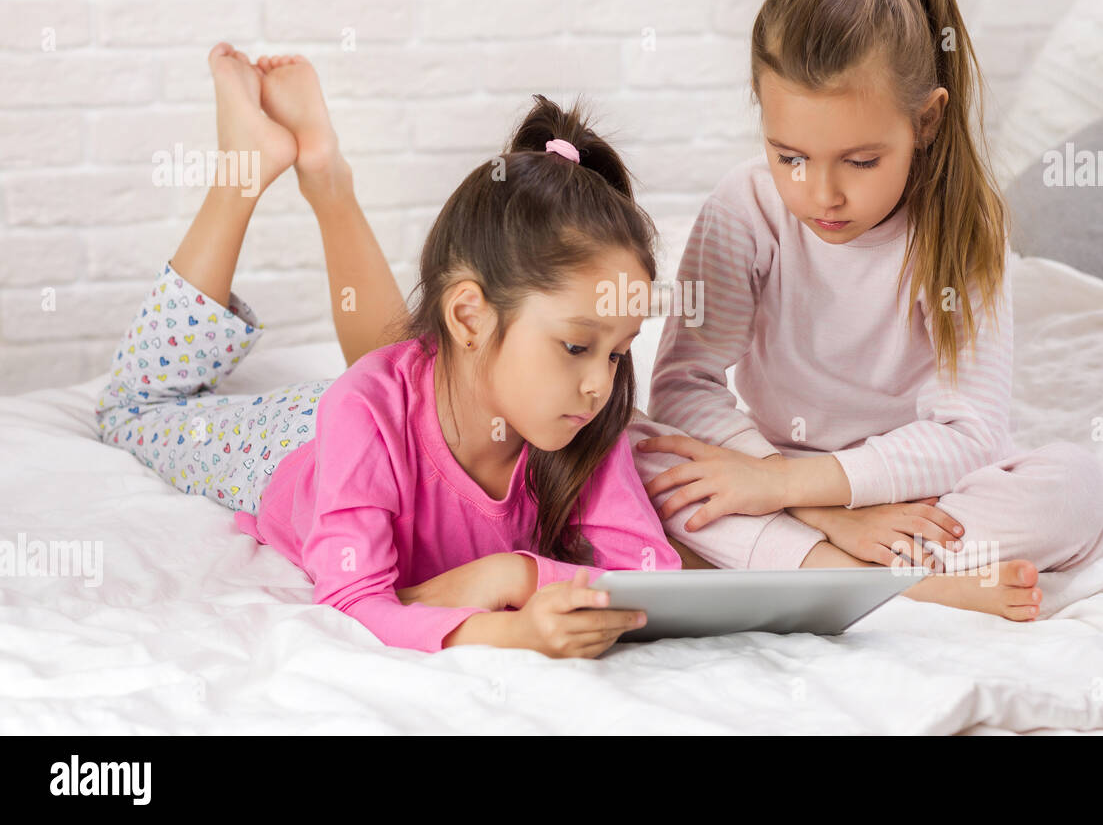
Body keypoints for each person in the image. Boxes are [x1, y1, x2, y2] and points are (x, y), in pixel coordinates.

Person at [94, 42, 680, 657]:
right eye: (577, 345)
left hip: (408, 402)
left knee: (408, 360)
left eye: (617, 354)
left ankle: (324, 173)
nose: (600, 383)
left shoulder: (581, 416)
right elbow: (352, 601)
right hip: (296, 448)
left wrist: (526, 575)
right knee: (134, 408)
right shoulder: (367, 413)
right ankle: (248, 165)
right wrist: (506, 616)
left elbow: (650, 579)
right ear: (468, 316)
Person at [627, 0, 1103, 621]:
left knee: (1079, 489)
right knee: (626, 447)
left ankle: (800, 562)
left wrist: (806, 492)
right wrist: (806, 498)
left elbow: (968, 434)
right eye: (789, 156)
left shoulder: (964, 229)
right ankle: (896, 573)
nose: (820, 194)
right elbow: (682, 386)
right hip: (768, 465)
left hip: (917, 486)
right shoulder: (744, 208)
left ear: (926, 121)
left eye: (859, 163)